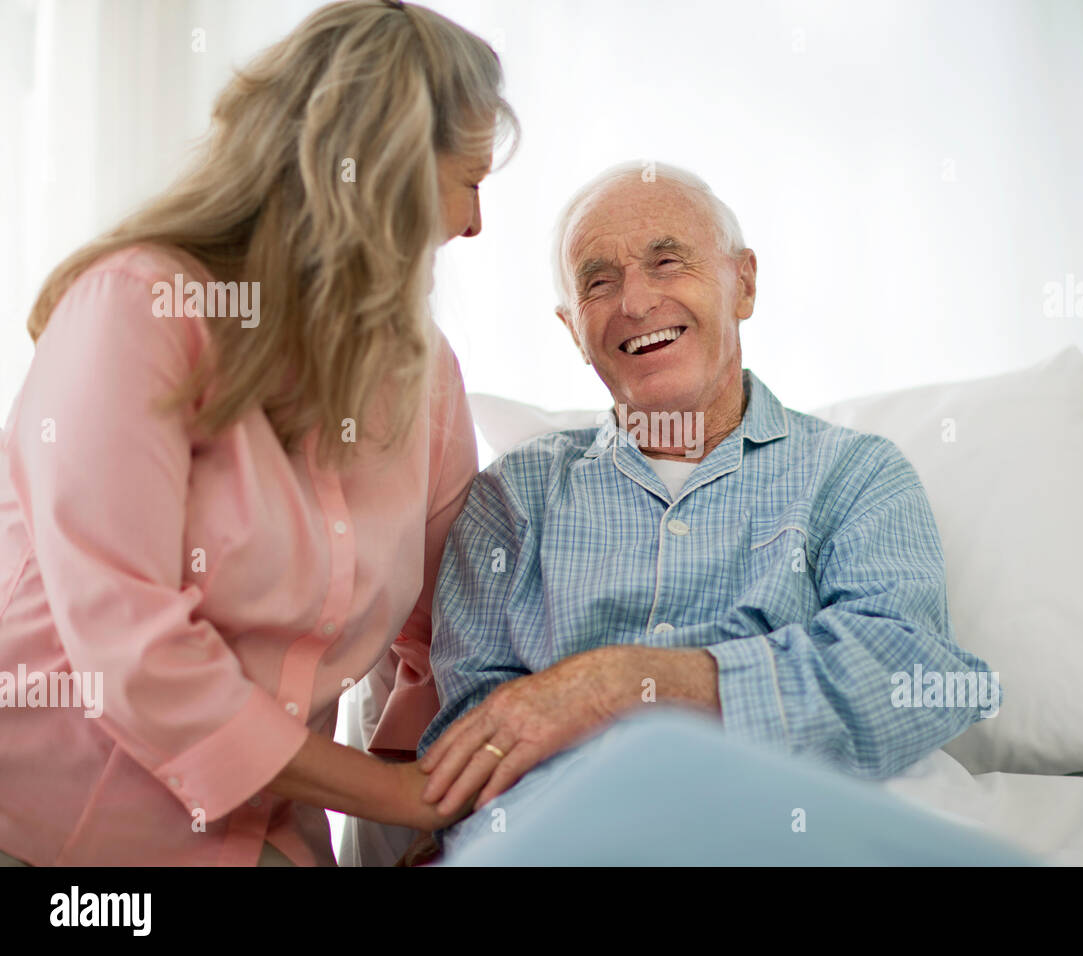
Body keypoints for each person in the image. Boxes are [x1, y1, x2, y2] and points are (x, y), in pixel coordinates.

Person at [0, 0, 516, 866]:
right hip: (58, 832)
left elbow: (442, 629)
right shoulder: (141, 307)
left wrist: (420, 814)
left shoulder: (423, 378)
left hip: (271, 844)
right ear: (383, 168)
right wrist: (389, 793)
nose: (473, 224)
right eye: (469, 178)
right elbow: (134, 647)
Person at [404, 161, 1003, 862]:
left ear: (742, 283)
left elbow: (907, 676)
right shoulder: (512, 499)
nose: (635, 301)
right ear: (572, 329)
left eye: (667, 261)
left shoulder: (855, 473)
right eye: (599, 282)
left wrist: (621, 684)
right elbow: (475, 741)